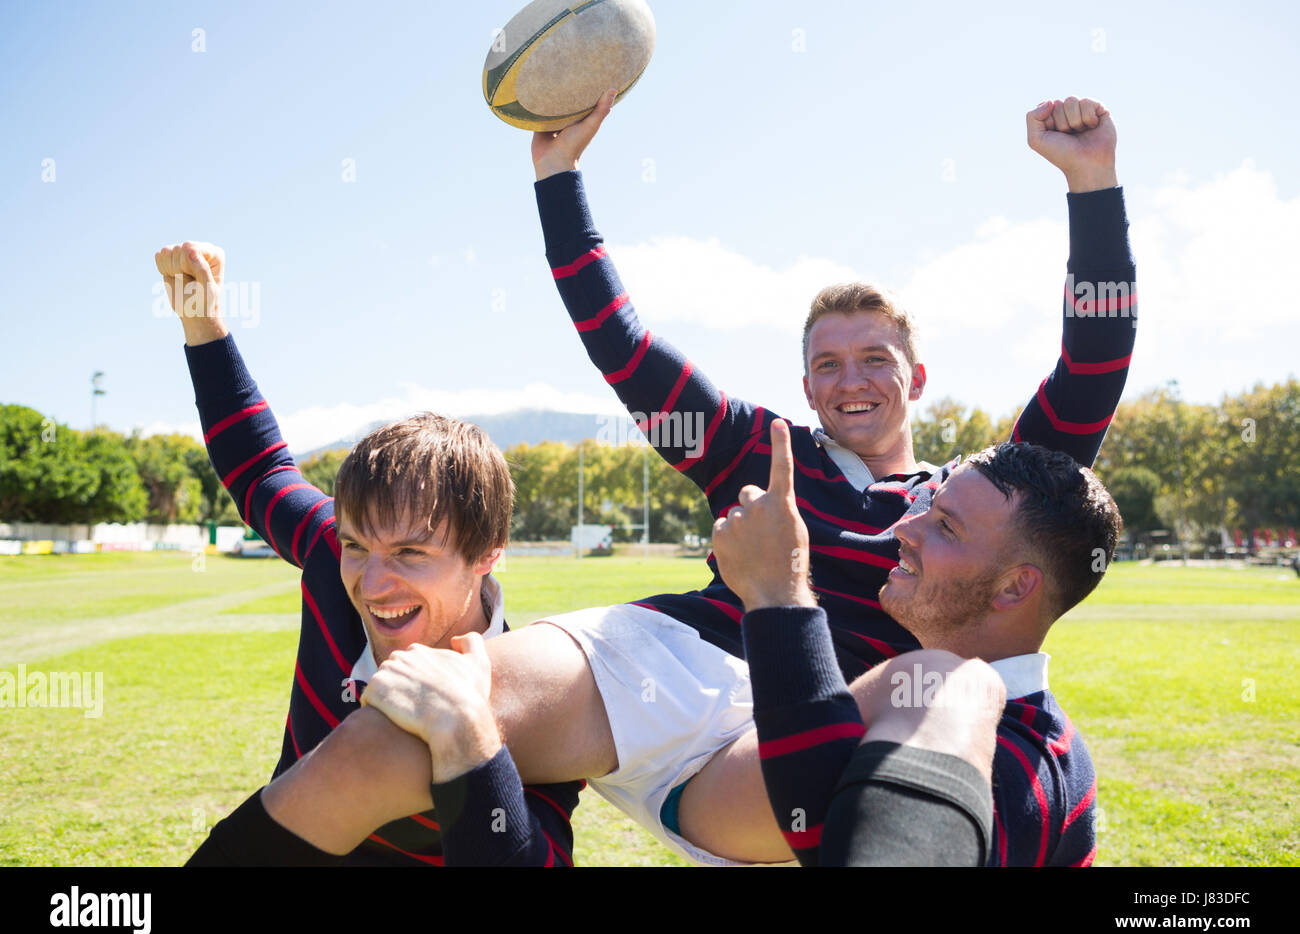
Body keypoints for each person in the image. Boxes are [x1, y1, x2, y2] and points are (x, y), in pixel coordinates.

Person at [186, 93, 1134, 867]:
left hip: (797, 737)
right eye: (829, 363)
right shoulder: (758, 450)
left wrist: (1093, 189)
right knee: (403, 728)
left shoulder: (985, 501)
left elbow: (1091, 366)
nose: (852, 380)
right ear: (805, 384)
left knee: (930, 696)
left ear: (915, 377)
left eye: (875, 358)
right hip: (668, 664)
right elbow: (623, 346)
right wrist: (559, 182)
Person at [156, 244, 580, 866]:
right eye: (357, 544)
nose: (372, 582)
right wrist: (203, 322)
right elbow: (259, 470)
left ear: (488, 554)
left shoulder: (536, 688)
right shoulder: (333, 555)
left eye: (411, 552)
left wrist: (471, 743)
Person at [712, 419, 1116, 865]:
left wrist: (779, 596)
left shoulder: (1027, 767)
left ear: (1015, 588)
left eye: (946, 527)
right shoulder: (926, 698)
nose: (904, 528)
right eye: (928, 506)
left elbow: (847, 849)